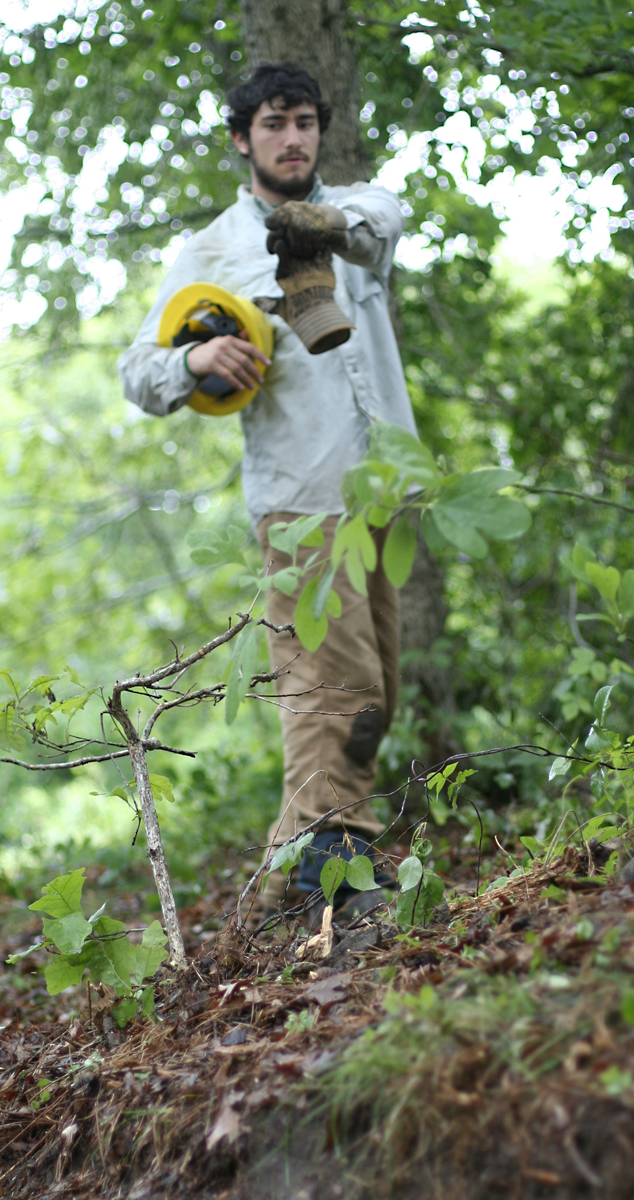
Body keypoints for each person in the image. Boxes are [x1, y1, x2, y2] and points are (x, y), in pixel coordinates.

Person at [118, 62, 416, 916]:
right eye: (275, 124)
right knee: (330, 684)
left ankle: (283, 876)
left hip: (385, 492)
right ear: (242, 138)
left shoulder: (357, 214)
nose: (293, 138)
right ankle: (339, 875)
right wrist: (195, 358)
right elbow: (138, 372)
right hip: (301, 495)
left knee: (375, 694)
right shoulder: (211, 250)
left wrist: (322, 224)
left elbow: (384, 217)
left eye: (305, 123)